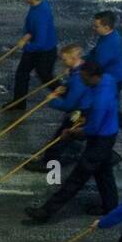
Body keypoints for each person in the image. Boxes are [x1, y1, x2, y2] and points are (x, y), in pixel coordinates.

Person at [23, 62, 119, 223]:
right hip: (109, 133)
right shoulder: (108, 79)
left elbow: (92, 129)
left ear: (93, 76)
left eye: (84, 78)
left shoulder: (101, 100)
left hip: (99, 140)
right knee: (104, 173)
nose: (82, 80)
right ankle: (110, 206)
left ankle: (46, 212)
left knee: (76, 179)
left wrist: (72, 133)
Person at [24, 43, 88, 171]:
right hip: (84, 110)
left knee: (60, 138)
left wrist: (53, 100)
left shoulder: (77, 79)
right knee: (64, 135)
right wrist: (64, 86)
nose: (63, 63)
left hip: (80, 112)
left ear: (74, 59)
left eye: (65, 60)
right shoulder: (82, 69)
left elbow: (69, 105)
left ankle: (49, 163)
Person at [86, 11, 122, 147]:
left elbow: (98, 65)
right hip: (112, 80)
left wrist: (82, 67)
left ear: (106, 27)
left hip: (111, 82)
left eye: (97, 26)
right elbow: (94, 53)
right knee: (110, 109)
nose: (94, 28)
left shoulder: (108, 44)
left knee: (107, 109)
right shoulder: (108, 37)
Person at [4, 0, 58, 110]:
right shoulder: (39, 5)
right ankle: (19, 102)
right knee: (22, 73)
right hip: (35, 47)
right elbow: (30, 25)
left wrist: (24, 46)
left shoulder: (41, 16)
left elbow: (41, 43)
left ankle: (67, 95)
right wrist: (27, 34)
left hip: (45, 52)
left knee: (46, 77)